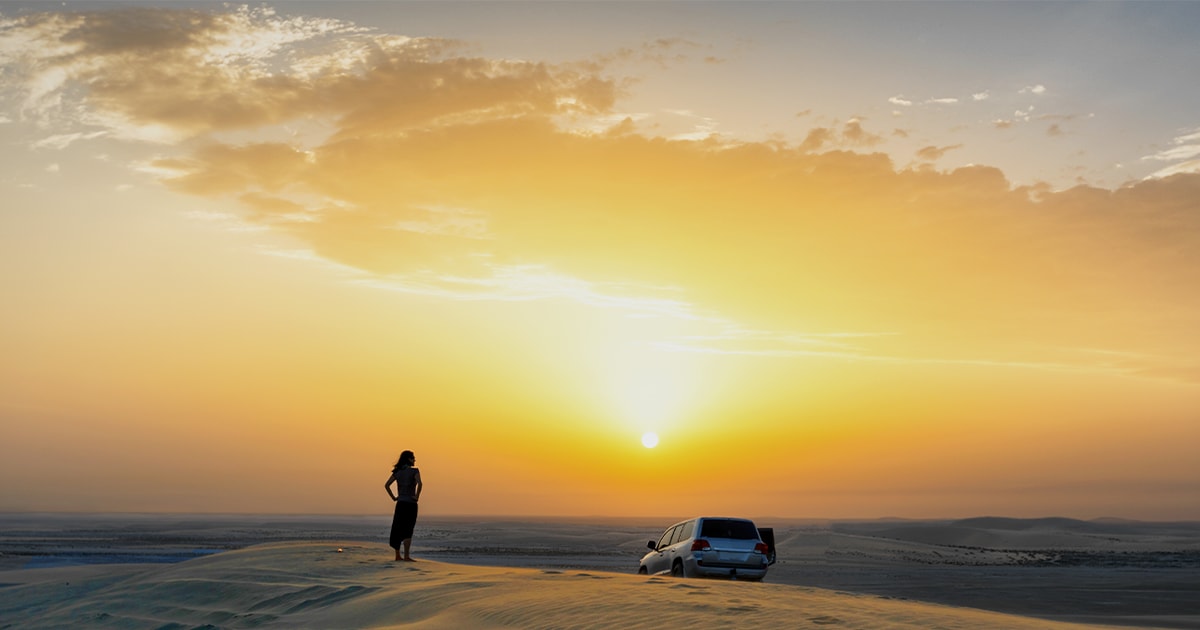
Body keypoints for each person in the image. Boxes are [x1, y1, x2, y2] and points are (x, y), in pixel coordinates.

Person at [384, 450, 422, 561]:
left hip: (400, 503)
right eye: (413, 458)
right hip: (411, 503)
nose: (414, 460)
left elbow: (387, 485)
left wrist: (394, 497)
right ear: (409, 459)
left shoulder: (397, 472)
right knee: (408, 529)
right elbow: (420, 483)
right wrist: (417, 496)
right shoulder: (414, 471)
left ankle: (397, 555)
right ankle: (406, 556)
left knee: (397, 528)